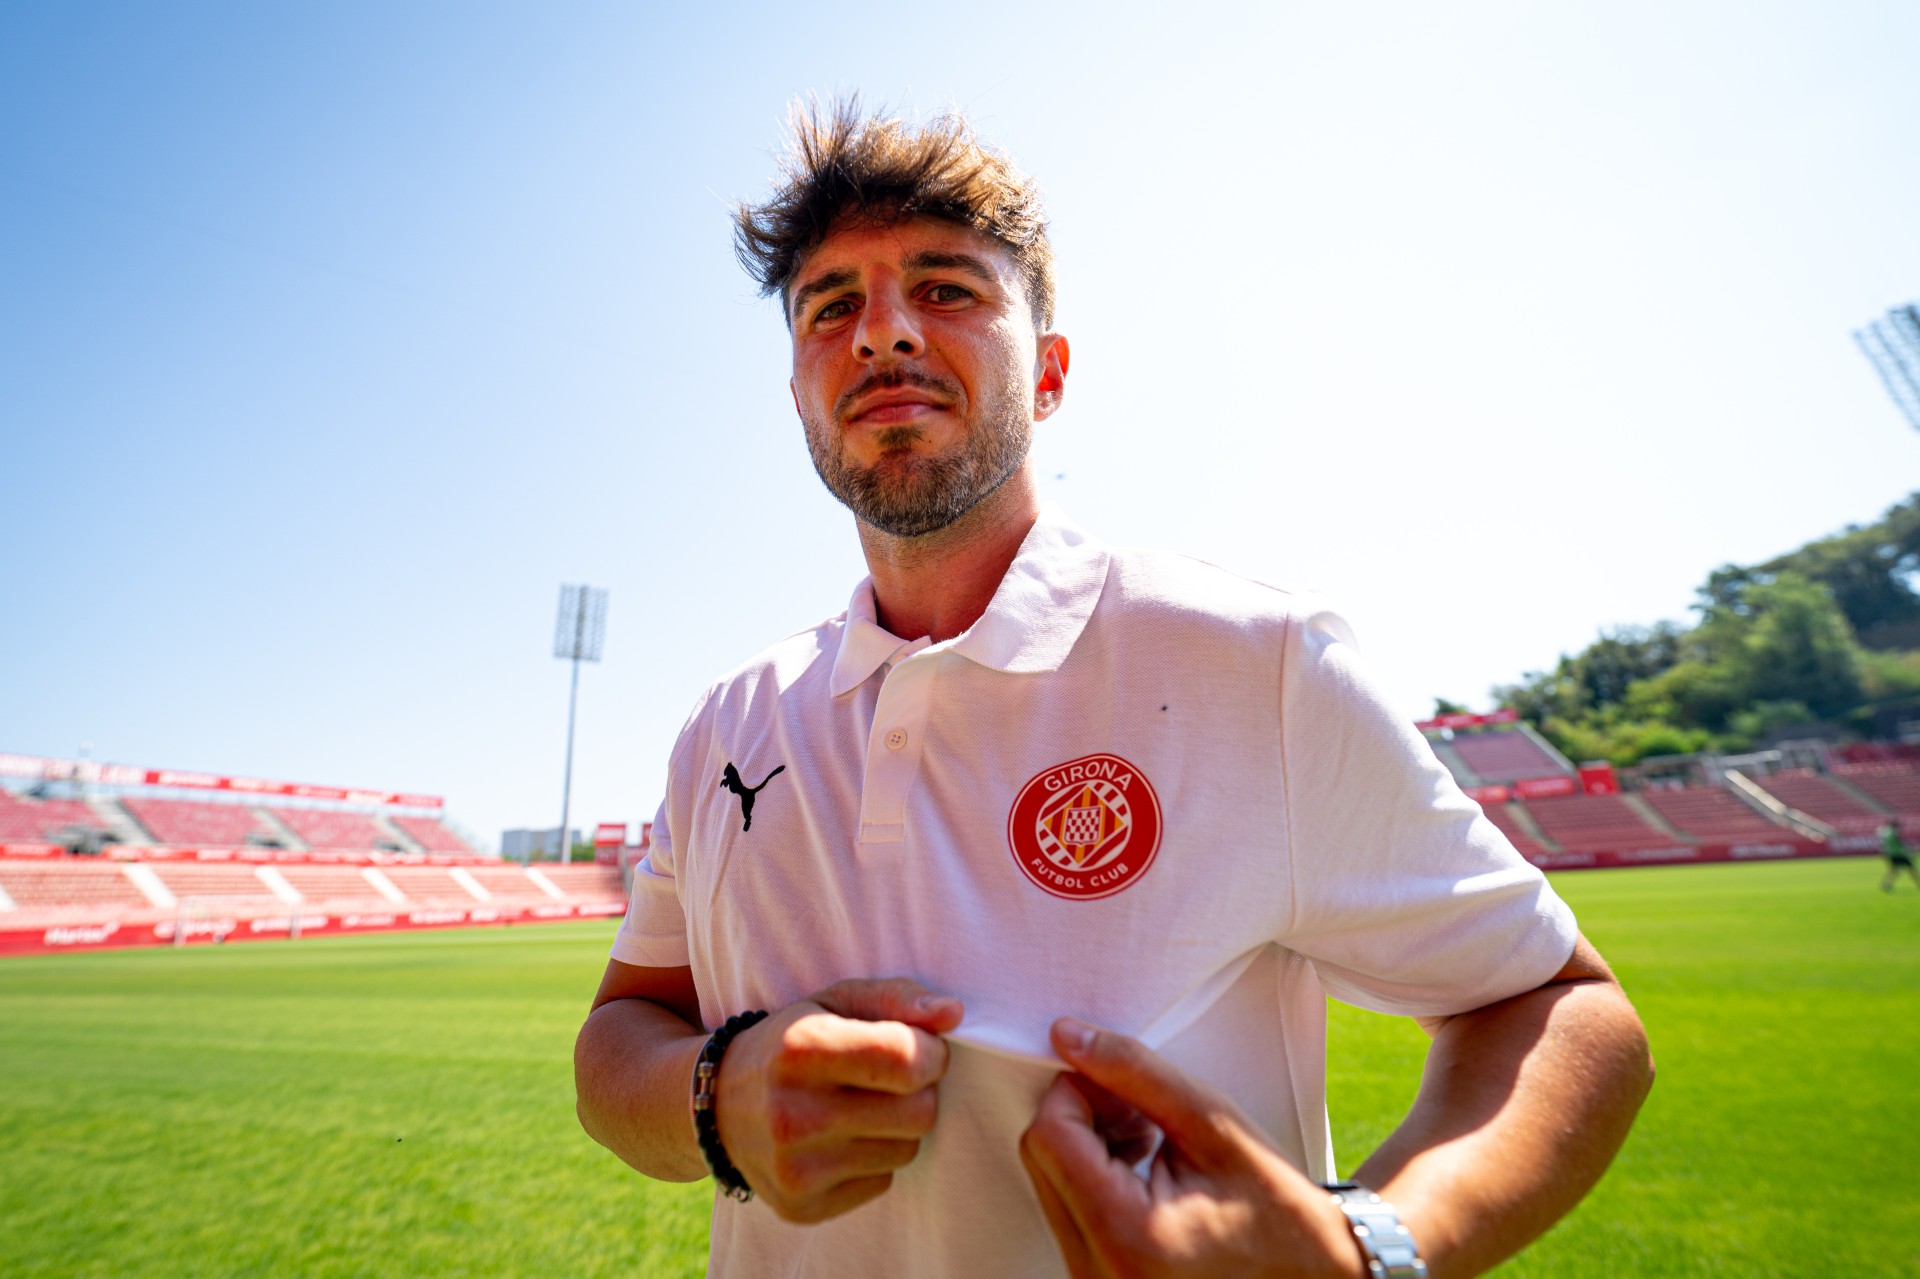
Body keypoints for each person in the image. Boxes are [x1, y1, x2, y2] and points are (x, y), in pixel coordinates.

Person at [575, 101, 1653, 1279]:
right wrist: (713, 1096)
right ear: (797, 393)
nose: (881, 332)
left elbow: (1566, 1008)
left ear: (1048, 373)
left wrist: (1374, 1245)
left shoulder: (1258, 659)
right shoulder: (726, 726)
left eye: (945, 290)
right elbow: (619, 1034)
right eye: (832, 307)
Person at [1880, 820, 1917, 892]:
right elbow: (1899, 843)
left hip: (1891, 854)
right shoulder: (1893, 833)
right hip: (1899, 854)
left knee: (1894, 870)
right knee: (1911, 869)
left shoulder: (1886, 833)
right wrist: (1909, 850)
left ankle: (1886, 884)